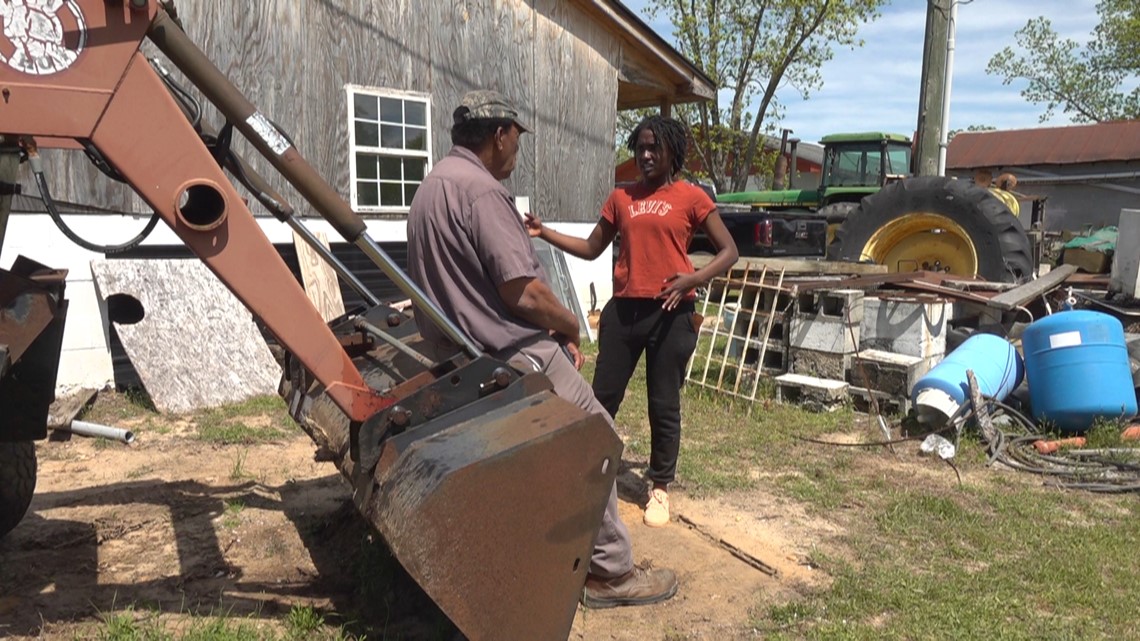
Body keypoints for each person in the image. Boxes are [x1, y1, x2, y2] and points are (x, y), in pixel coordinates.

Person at [405, 89, 678, 608]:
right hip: (510, 351)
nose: (515, 152)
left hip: (457, 356)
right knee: (595, 439)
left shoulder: (431, 187)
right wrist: (570, 325)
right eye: (515, 140)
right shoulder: (482, 193)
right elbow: (523, 291)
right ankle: (610, 574)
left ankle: (553, 542)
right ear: (500, 134)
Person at [525, 115, 738, 527]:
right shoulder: (622, 198)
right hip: (624, 312)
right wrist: (544, 231)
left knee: (663, 402)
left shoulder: (692, 197)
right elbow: (591, 247)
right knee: (600, 397)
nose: (645, 154)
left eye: (653, 147)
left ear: (671, 151)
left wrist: (694, 277)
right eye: (640, 147)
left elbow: (728, 250)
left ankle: (658, 486)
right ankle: (584, 468)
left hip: (671, 313)